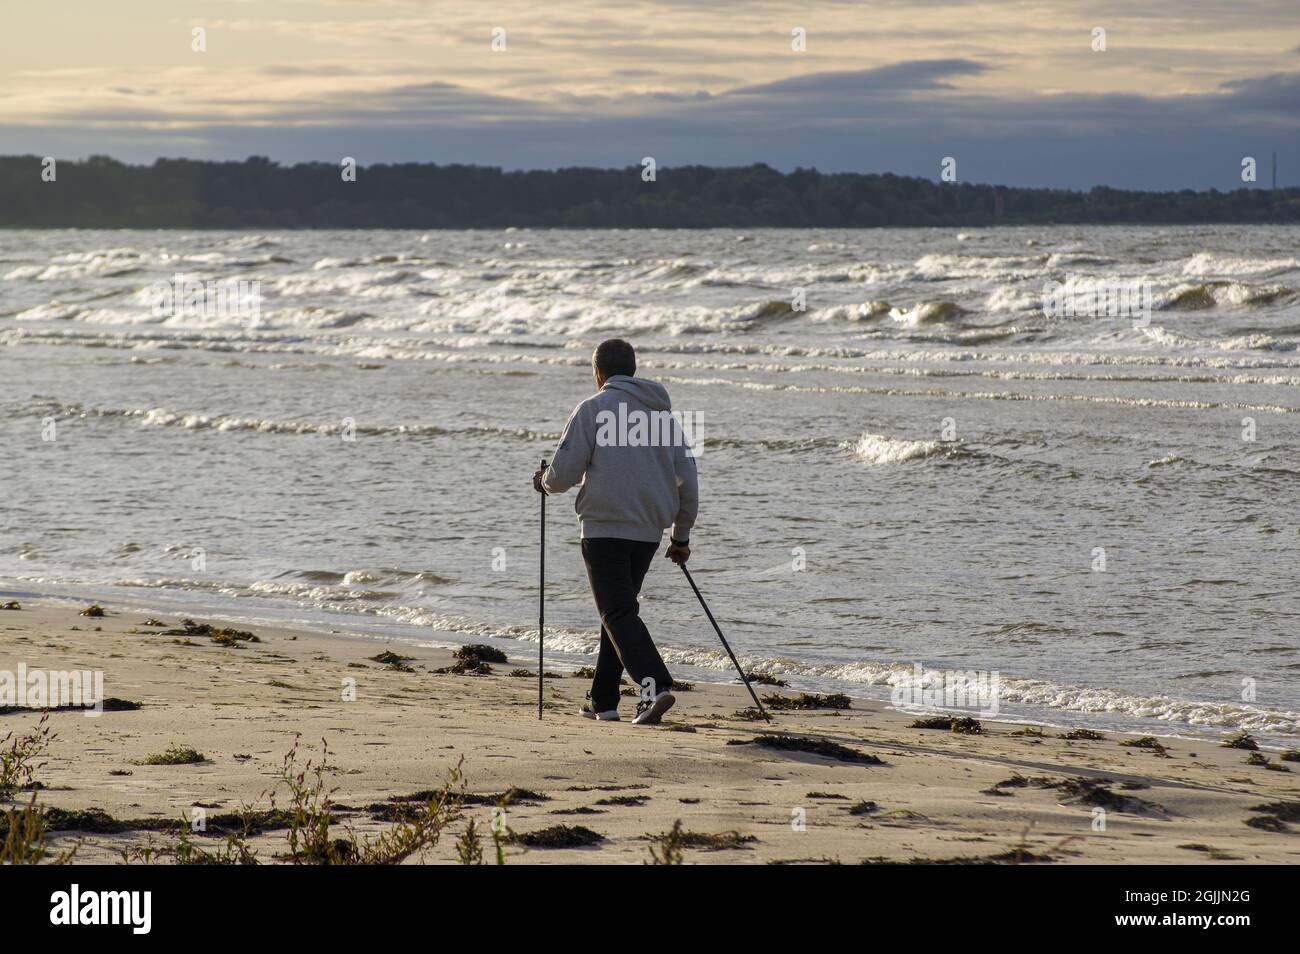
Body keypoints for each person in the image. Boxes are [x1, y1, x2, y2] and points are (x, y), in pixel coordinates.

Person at [532, 338, 698, 725]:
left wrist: (543, 483)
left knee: (617, 611)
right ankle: (603, 700)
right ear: (633, 370)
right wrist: (681, 536)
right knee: (618, 613)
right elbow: (688, 480)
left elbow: (564, 474)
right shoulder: (663, 418)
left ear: (598, 373)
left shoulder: (592, 409)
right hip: (648, 532)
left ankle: (653, 689)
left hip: (604, 528)